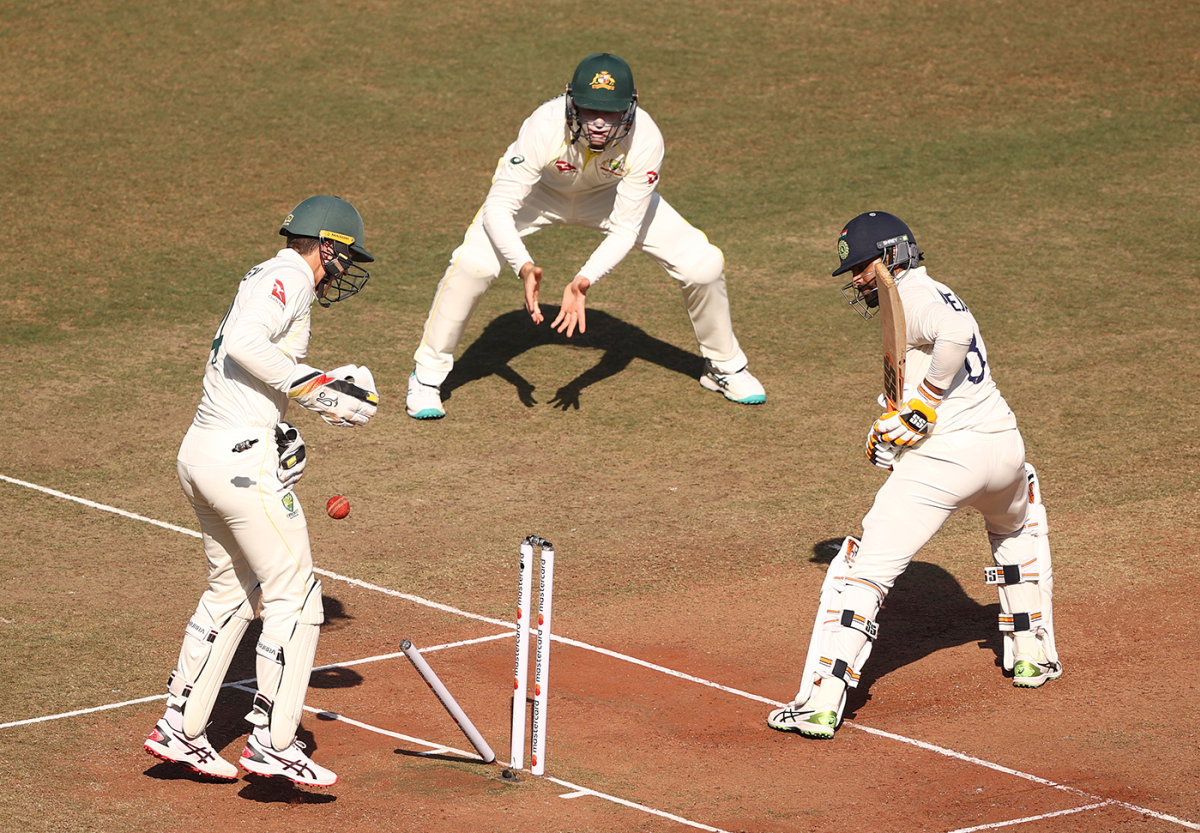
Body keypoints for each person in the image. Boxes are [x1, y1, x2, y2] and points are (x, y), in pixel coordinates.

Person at [767, 211, 1061, 740]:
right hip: (1003, 448)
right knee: (1017, 528)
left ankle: (821, 702)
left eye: (862, 266)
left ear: (894, 255)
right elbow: (912, 389)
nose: (858, 279)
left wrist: (923, 405)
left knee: (861, 571)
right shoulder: (925, 295)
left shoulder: (917, 298)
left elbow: (955, 334)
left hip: (950, 461)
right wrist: (890, 432)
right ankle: (1031, 654)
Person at [144, 196, 380, 785]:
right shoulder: (291, 277)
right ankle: (273, 742)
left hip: (206, 452)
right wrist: (319, 389)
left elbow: (240, 370)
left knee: (231, 591)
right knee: (296, 597)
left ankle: (181, 726)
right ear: (325, 246)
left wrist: (280, 430)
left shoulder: (268, 275)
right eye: (344, 255)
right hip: (238, 463)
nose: (346, 267)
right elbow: (246, 346)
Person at [405, 53, 765, 419]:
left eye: (610, 113)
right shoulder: (544, 125)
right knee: (474, 265)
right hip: (539, 195)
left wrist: (583, 280)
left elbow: (626, 228)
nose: (597, 123)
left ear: (629, 108)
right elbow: (498, 209)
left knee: (702, 264)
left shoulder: (646, 138)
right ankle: (427, 377)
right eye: (588, 109)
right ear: (570, 101)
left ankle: (725, 367)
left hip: (608, 198)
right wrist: (523, 266)